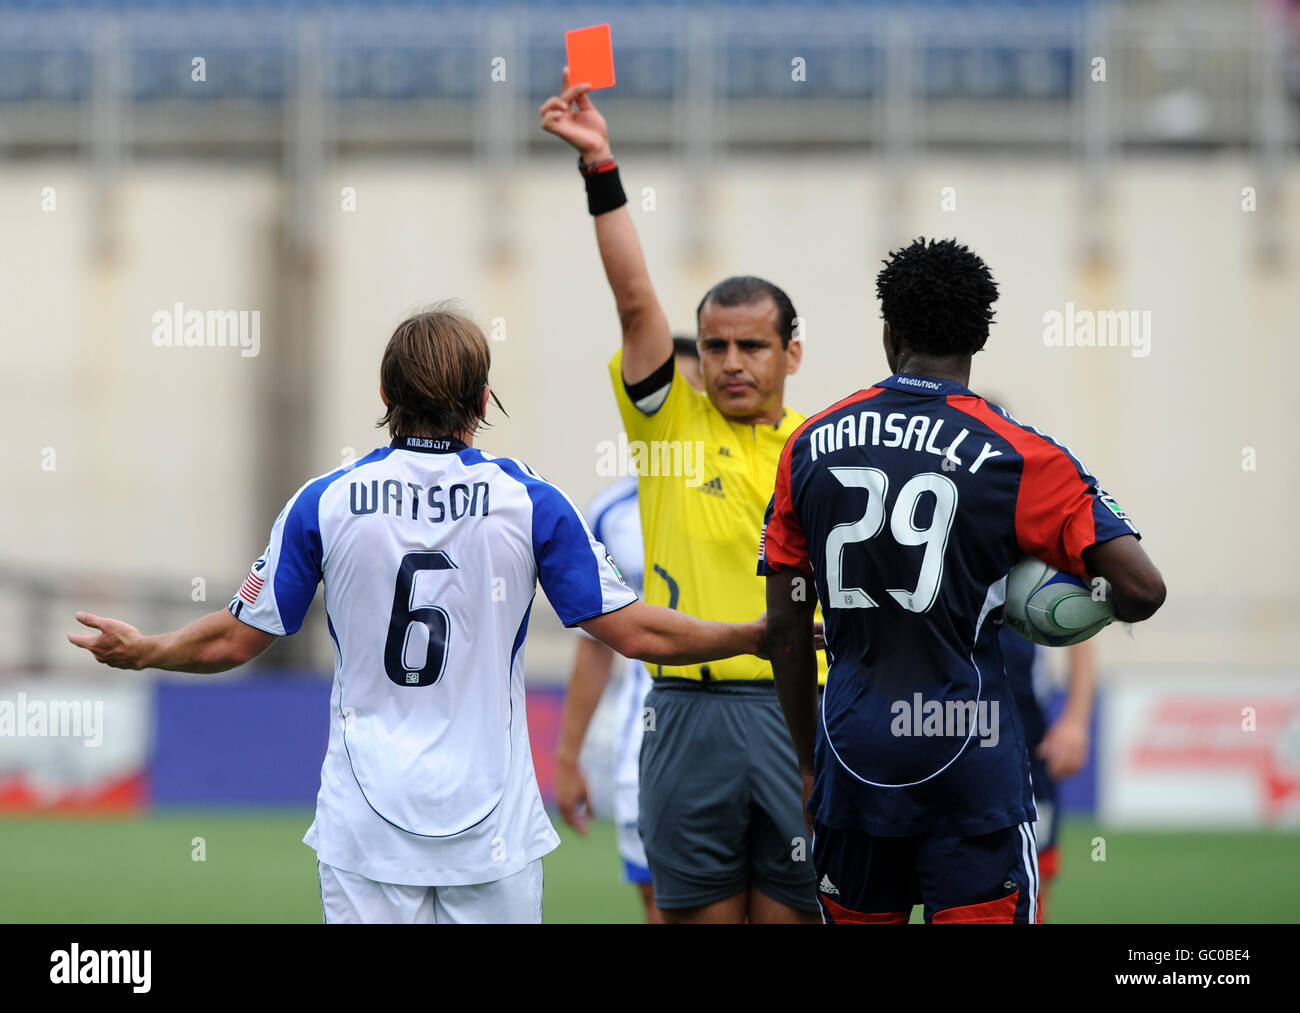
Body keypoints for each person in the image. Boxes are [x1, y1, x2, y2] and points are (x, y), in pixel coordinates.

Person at [67, 306, 770, 925]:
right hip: (494, 824)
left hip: (365, 822)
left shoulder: (328, 499)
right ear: (485, 396)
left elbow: (235, 637)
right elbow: (635, 629)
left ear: (383, 393)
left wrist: (148, 648)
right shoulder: (529, 501)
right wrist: (757, 635)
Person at [762, 237, 1165, 924]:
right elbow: (1141, 590)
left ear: (890, 331)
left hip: (854, 764)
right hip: (969, 770)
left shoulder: (809, 444)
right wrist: (1017, 597)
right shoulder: (1021, 455)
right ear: (979, 337)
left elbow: (786, 627)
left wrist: (810, 762)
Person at [540, 70, 825, 924]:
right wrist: (601, 167)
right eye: (716, 344)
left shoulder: (825, 447)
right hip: (686, 715)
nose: (732, 360)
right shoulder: (670, 428)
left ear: (791, 354)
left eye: (753, 344)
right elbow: (635, 301)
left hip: (798, 716)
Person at [554, 339, 702, 925]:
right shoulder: (610, 515)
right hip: (647, 738)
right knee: (661, 903)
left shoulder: (759, 498)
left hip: (747, 730)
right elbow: (595, 647)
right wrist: (568, 756)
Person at [999, 631, 1095, 920]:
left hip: (1028, 738)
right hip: (950, 725)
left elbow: (1081, 622)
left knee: (1035, 873)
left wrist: (1076, 720)